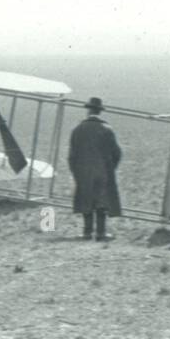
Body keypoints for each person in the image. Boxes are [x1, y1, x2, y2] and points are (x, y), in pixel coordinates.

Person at [69, 97, 123, 242]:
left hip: (83, 172)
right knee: (101, 202)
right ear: (100, 111)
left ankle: (87, 233)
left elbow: (72, 156)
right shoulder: (107, 129)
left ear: (88, 111)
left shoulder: (77, 129)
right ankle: (101, 233)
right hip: (103, 171)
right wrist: (110, 169)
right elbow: (117, 153)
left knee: (86, 201)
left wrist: (76, 172)